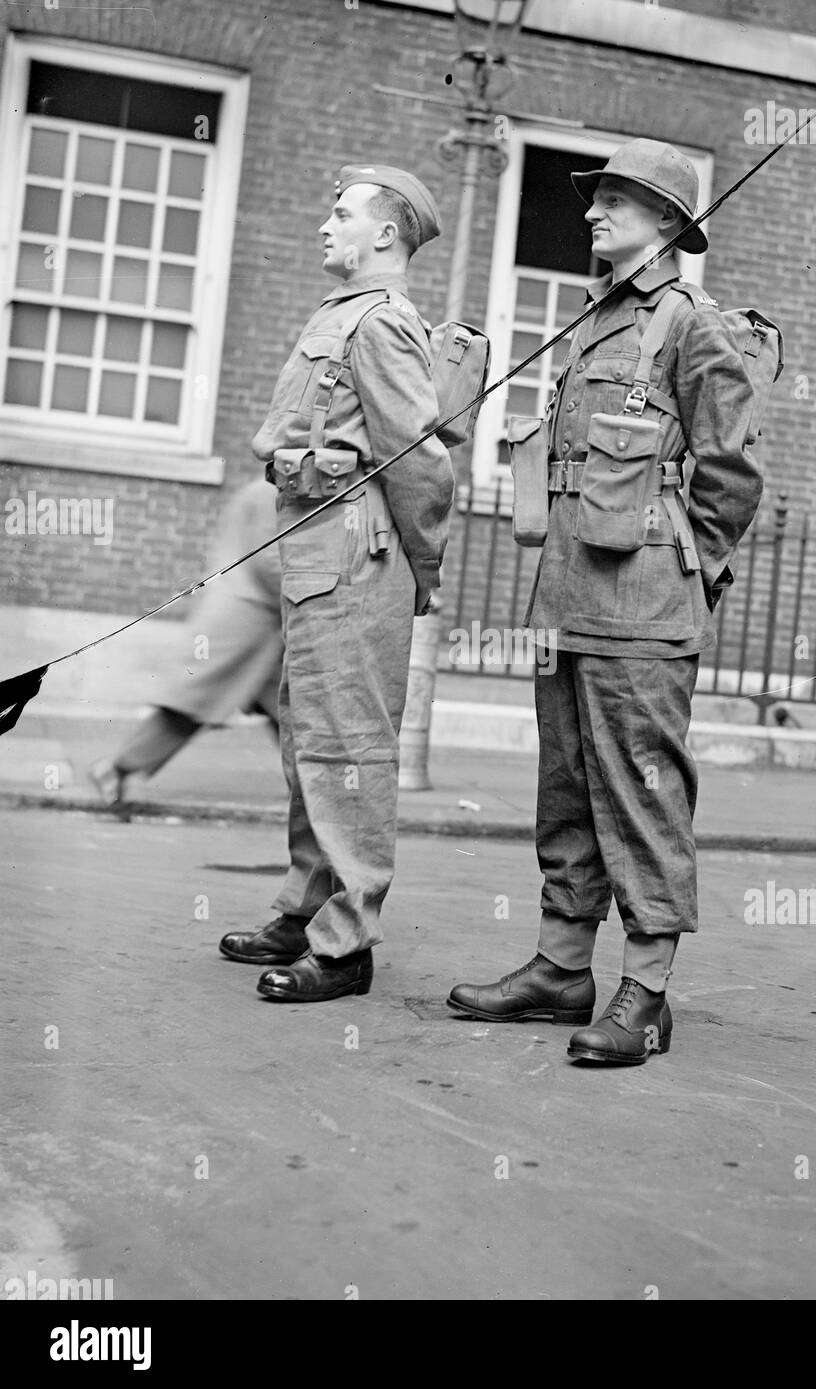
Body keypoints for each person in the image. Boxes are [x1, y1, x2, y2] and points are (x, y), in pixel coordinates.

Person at [448, 139, 764, 1064]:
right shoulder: (589, 321)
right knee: (566, 789)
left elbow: (731, 474)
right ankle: (559, 967)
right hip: (566, 595)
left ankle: (647, 990)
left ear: (666, 224)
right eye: (597, 200)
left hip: (643, 602)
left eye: (617, 201)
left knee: (641, 791)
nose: (592, 213)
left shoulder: (694, 327)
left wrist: (684, 565)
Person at [219, 165, 454, 1004]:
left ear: (384, 235)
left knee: (346, 746)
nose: (327, 223)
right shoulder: (342, 314)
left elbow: (420, 460)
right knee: (307, 737)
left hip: (356, 548)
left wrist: (421, 569)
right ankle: (302, 906)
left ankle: (346, 944)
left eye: (343, 212)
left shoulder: (385, 324)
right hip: (314, 541)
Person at [88, 476, 282, 807]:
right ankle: (116, 768)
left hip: (252, 625)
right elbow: (270, 562)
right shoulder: (270, 493)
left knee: (286, 714)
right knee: (192, 708)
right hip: (245, 624)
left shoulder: (261, 488)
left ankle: (316, 797)